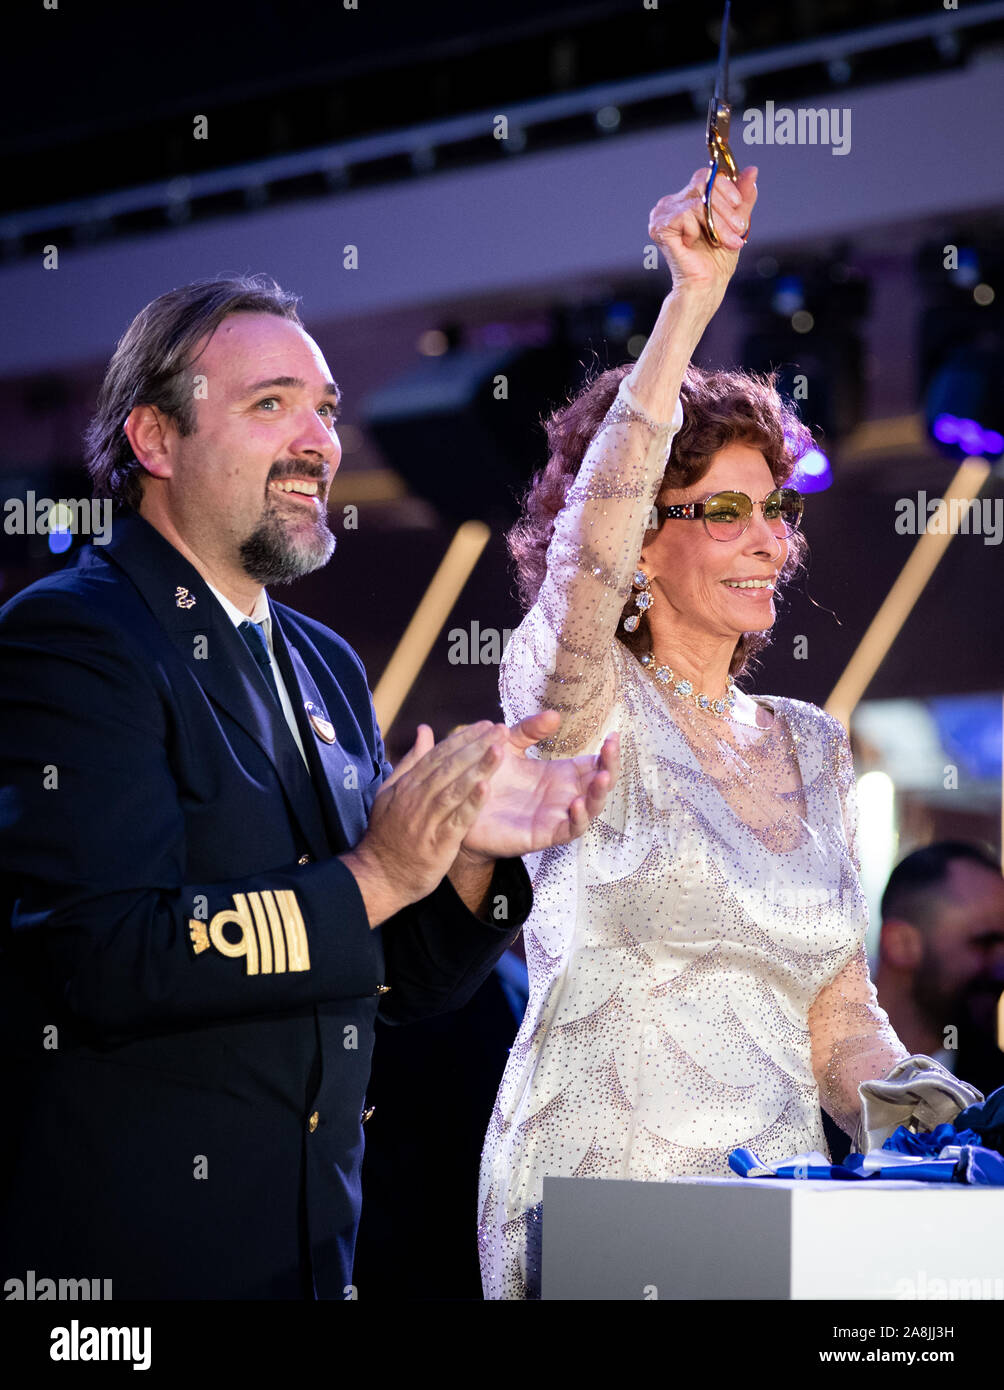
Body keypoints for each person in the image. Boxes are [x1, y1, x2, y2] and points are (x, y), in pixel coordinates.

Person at [0, 275, 619, 1300]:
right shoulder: (74, 637)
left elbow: (390, 982)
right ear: (154, 439)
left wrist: (465, 857)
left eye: (324, 408)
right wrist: (377, 870)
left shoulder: (322, 663)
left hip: (313, 1260)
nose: (318, 440)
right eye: (269, 403)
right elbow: (108, 959)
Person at [477, 167, 972, 1299]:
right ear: (644, 549)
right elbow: (585, 549)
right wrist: (688, 302)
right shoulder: (576, 693)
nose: (768, 540)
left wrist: (938, 1120)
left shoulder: (808, 741)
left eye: (774, 509)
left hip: (776, 1216)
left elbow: (836, 1017)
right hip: (599, 1196)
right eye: (722, 510)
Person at [876, 841, 1004, 1096]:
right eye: (984, 943)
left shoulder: (997, 1094)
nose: (1001, 968)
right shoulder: (801, 1083)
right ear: (900, 944)